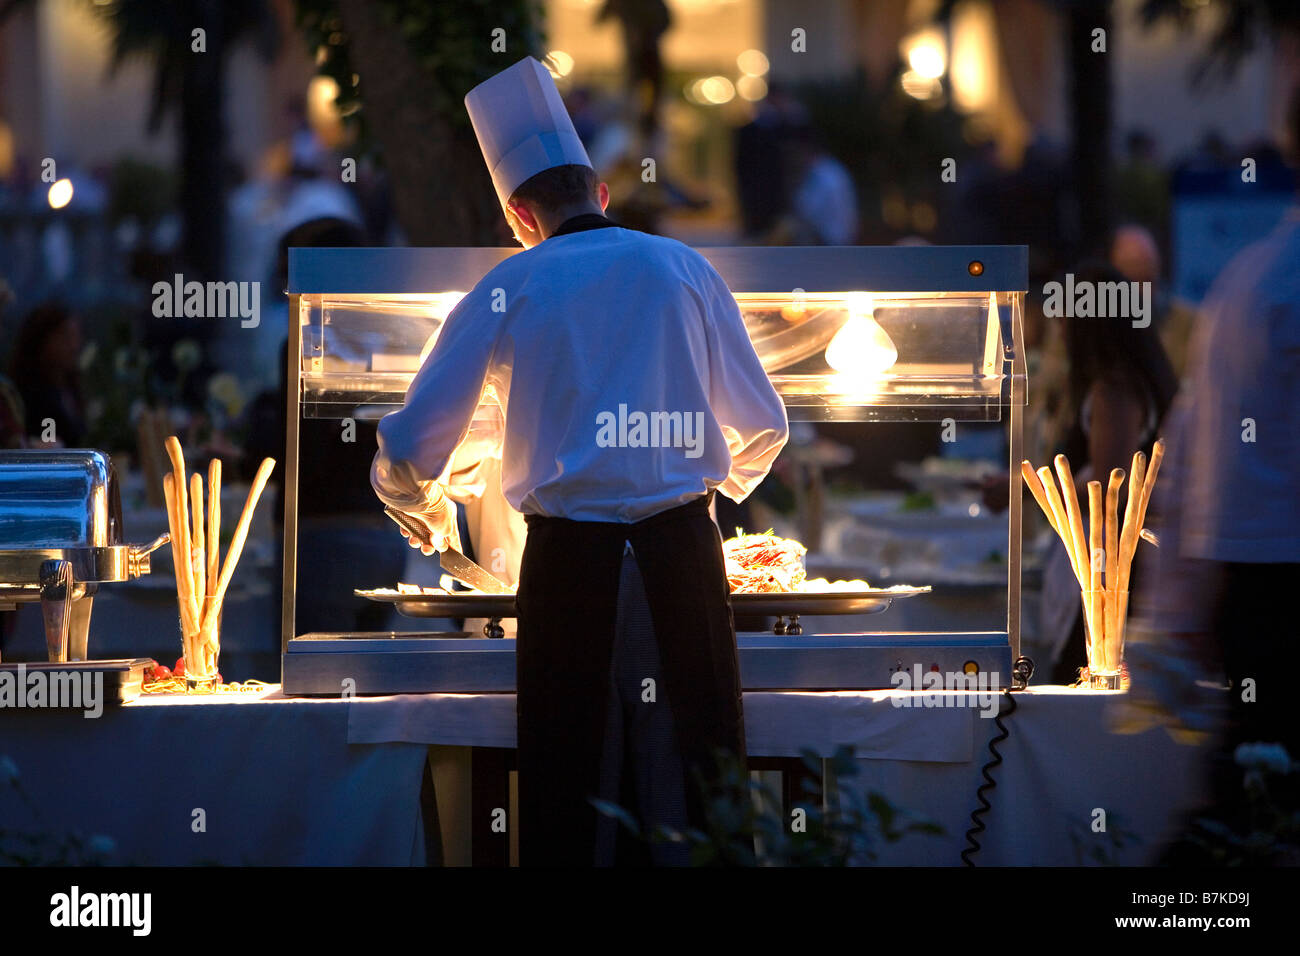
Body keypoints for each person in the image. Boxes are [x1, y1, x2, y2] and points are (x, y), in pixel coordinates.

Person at [370, 57, 789, 866]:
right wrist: (704, 489)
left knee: (574, 809)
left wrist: (418, 512)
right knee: (696, 806)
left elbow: (411, 445)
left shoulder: (508, 287)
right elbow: (763, 426)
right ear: (600, 193)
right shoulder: (684, 267)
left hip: (567, 568)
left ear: (520, 217)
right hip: (683, 560)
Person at [1039, 263, 1178, 683]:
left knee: (1087, 684)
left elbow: (1109, 486)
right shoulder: (1132, 378)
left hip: (1110, 570)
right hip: (1115, 563)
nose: (1059, 330)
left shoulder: (1113, 390)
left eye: (1065, 316)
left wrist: (1034, 489)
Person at [7, 303, 87, 447]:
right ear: (42, 341)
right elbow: (47, 444)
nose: (74, 346)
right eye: (65, 338)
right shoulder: (31, 396)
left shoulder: (68, 390)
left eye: (76, 336)